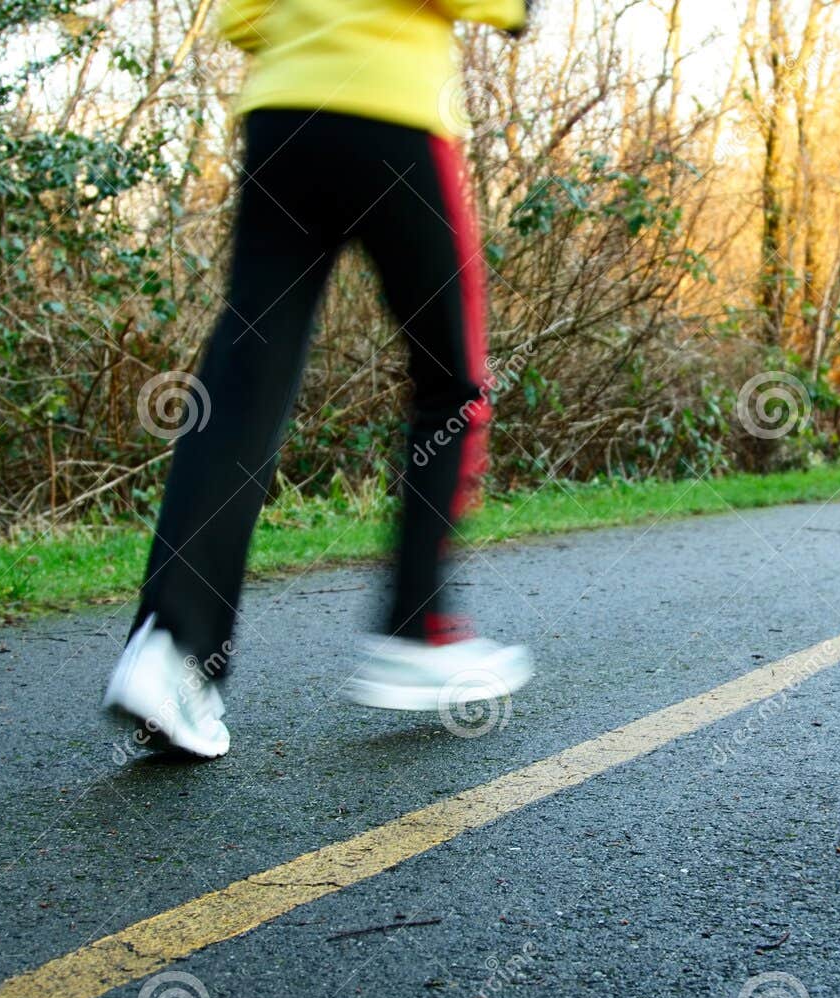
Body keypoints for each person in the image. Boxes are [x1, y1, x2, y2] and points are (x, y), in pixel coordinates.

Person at [103, 0, 534, 758]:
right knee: (452, 382)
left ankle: (171, 650)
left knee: (242, 380)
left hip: (283, 115)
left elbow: (238, 18)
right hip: (393, 110)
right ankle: (418, 628)